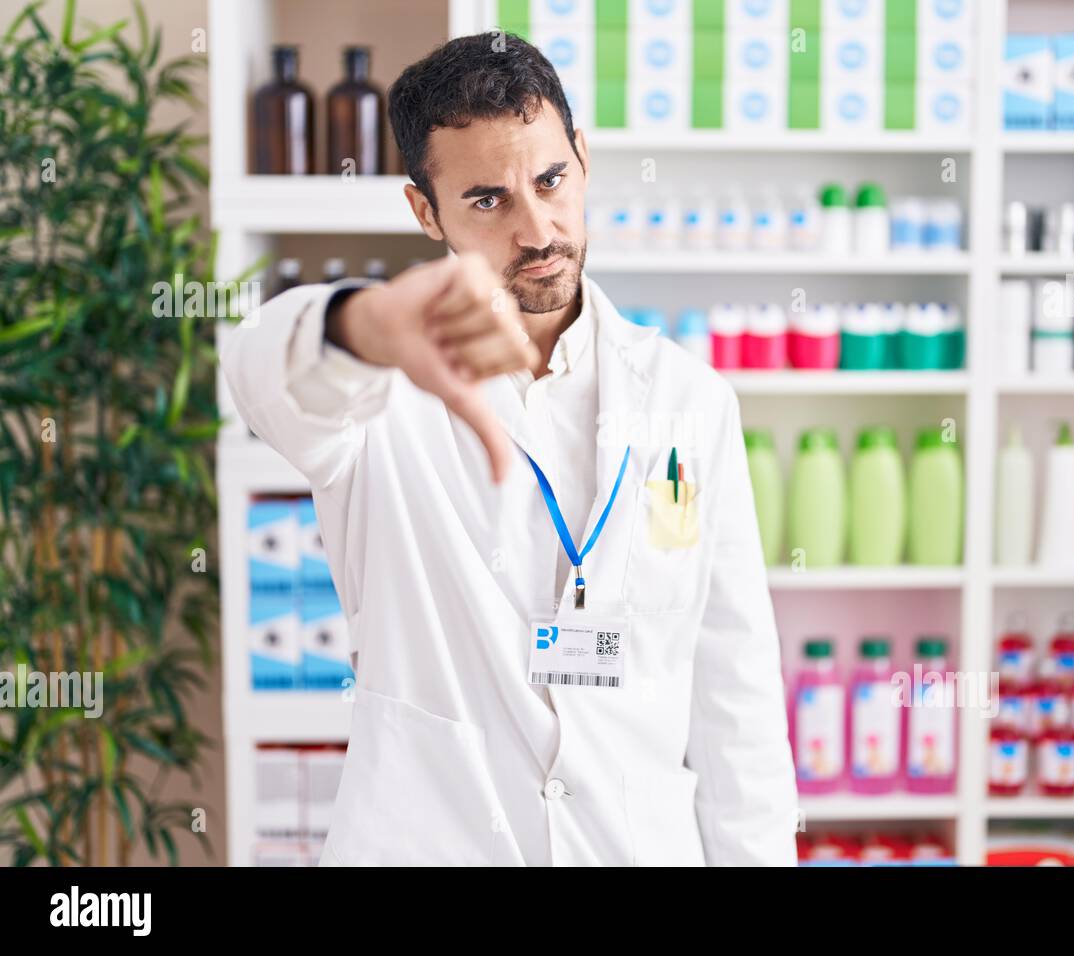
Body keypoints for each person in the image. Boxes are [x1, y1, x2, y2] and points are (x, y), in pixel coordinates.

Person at [222, 32, 797, 866]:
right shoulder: (378, 394)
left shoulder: (689, 402)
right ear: (425, 212)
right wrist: (363, 323)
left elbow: (734, 694)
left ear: (584, 161)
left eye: (551, 180)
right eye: (487, 200)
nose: (537, 228)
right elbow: (260, 367)